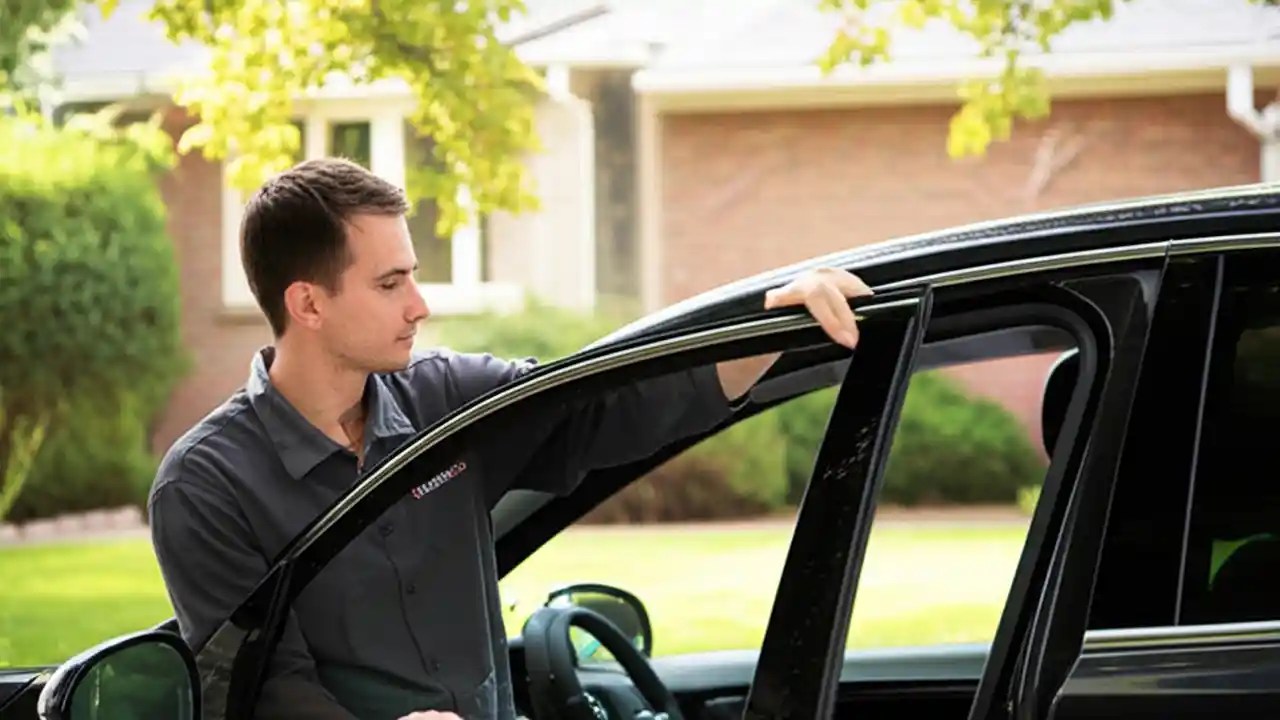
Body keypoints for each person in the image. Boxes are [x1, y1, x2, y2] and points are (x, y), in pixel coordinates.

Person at [147, 157, 872, 720]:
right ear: (307, 303)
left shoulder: (448, 400)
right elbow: (263, 689)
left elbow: (604, 404)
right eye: (390, 284)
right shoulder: (206, 486)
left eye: (414, 278)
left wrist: (770, 320)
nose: (420, 305)